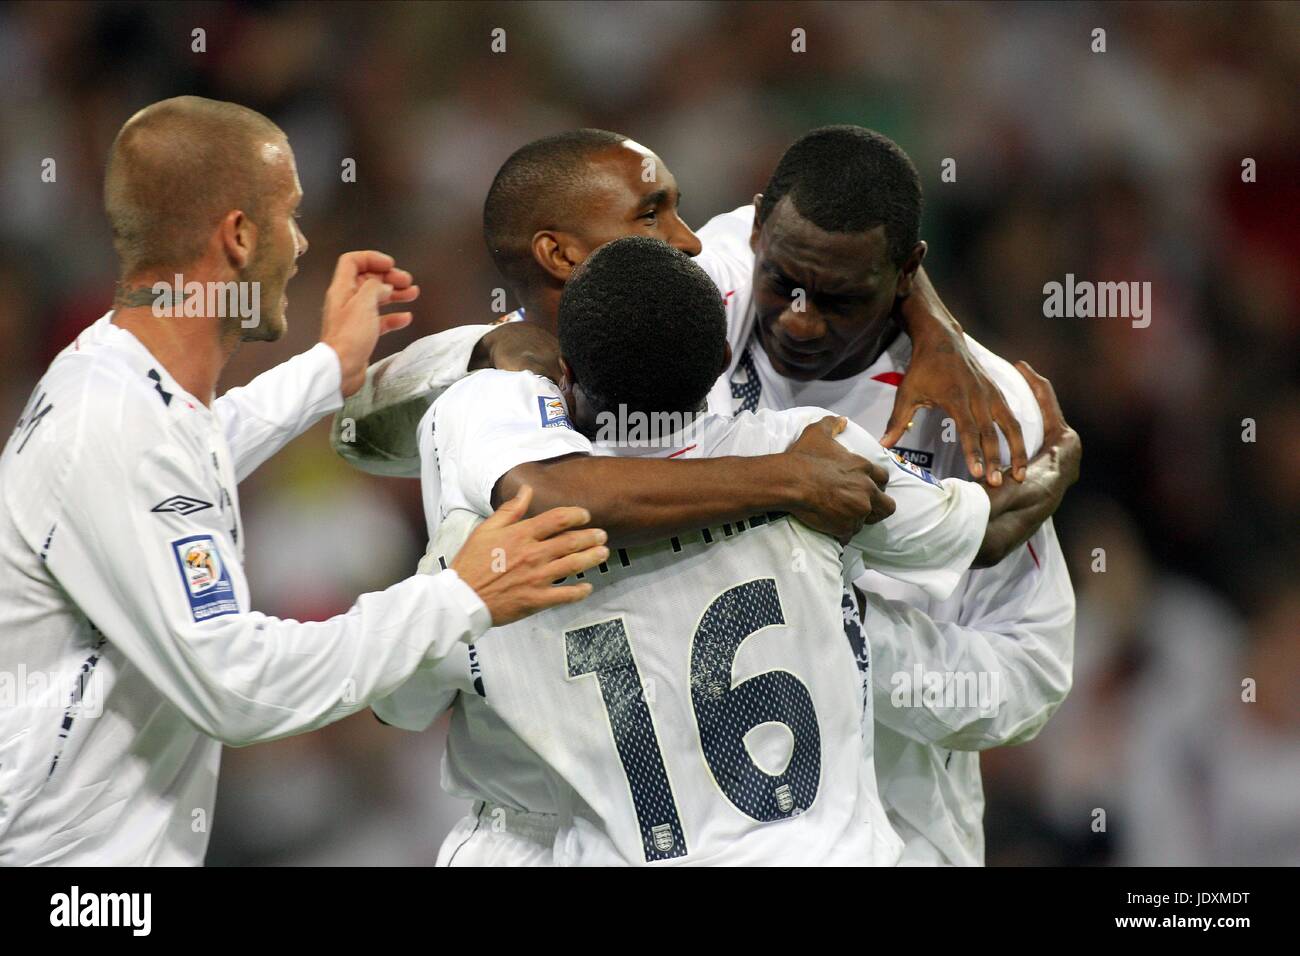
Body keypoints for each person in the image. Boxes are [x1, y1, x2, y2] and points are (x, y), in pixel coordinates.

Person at [345, 127, 1080, 864]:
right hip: (597, 827)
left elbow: (1030, 674)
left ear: (904, 274)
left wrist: (851, 638)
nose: (798, 314)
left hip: (894, 820)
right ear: (756, 240)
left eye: (843, 296)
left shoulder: (983, 420)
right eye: (782, 279)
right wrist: (494, 345)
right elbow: (363, 427)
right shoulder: (668, 354)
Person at [0, 96, 611, 866]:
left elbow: (191, 449)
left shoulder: (111, 374)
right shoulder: (115, 424)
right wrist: (460, 593)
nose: (299, 242)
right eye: (288, 215)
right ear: (238, 236)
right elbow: (237, 684)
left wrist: (329, 370)